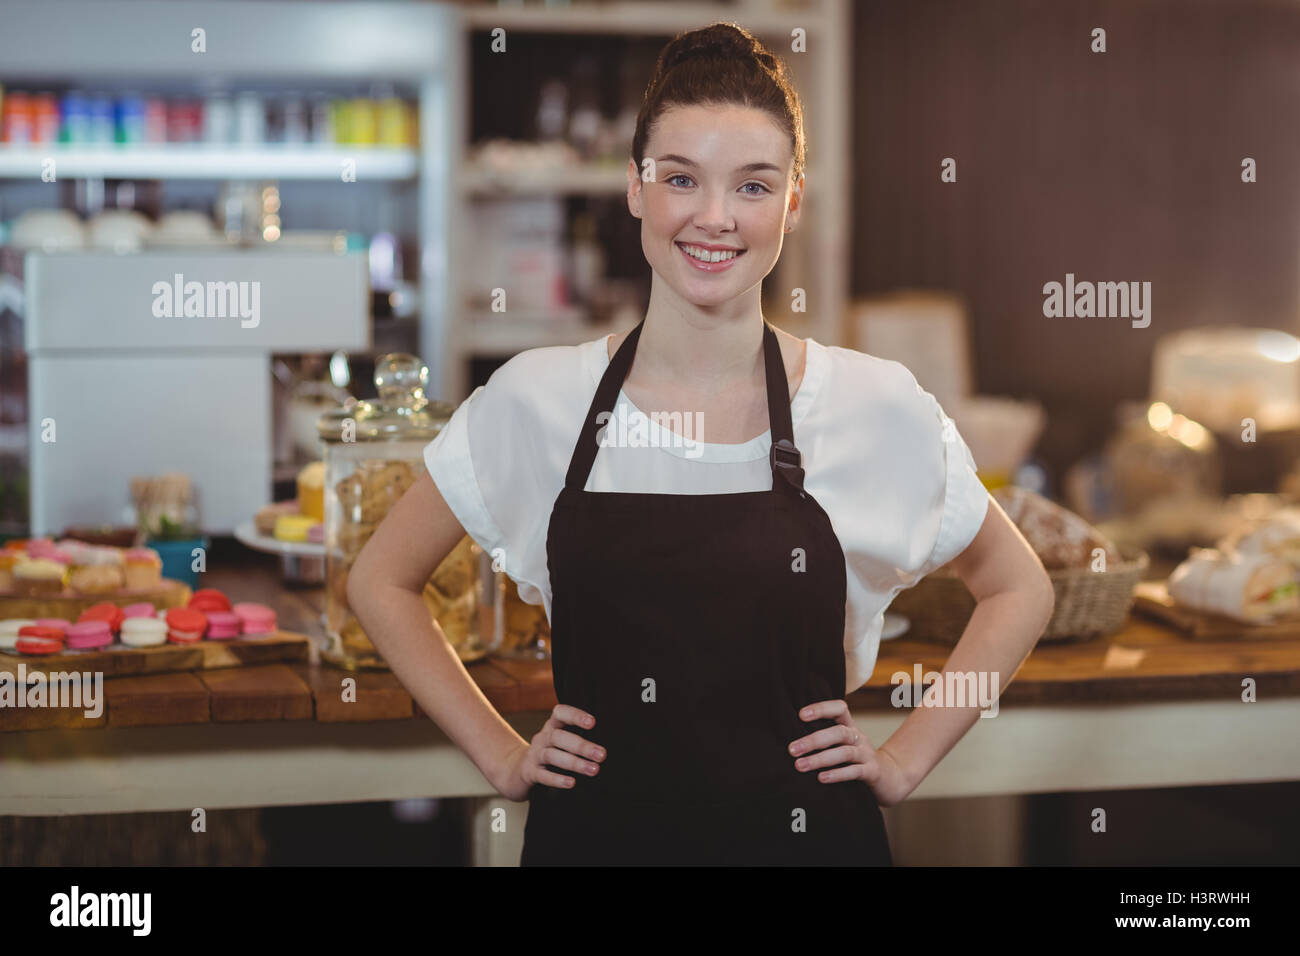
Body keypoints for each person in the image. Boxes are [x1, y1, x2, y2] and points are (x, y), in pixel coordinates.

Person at [347, 21, 1055, 866]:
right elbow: (381, 580)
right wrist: (502, 755)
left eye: (753, 187)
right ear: (636, 189)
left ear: (793, 201)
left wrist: (904, 760)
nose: (714, 218)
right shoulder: (540, 399)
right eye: (682, 178)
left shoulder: (873, 404)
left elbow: (1018, 590)